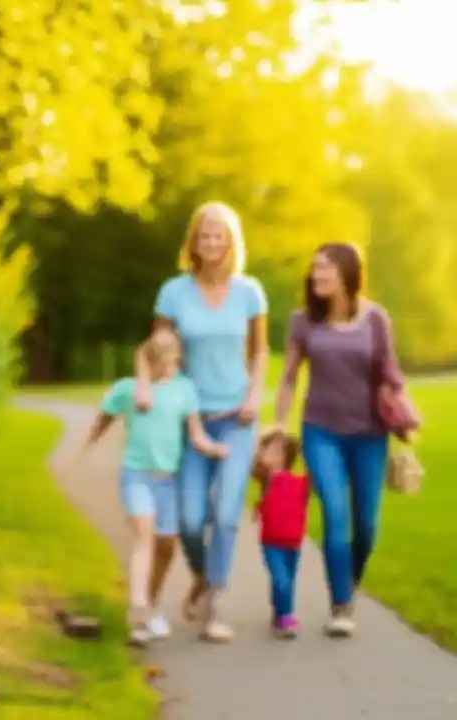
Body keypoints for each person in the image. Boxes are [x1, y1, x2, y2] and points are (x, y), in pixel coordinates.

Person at [135, 201, 268, 643]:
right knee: (191, 521)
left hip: (237, 418)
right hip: (191, 420)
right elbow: (155, 352)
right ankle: (204, 576)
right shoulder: (173, 293)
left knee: (226, 513)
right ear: (193, 241)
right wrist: (149, 393)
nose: (211, 243)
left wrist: (254, 395)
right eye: (203, 236)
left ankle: (215, 605)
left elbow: (260, 351)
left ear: (231, 242)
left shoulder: (250, 291)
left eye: (219, 236)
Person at [274, 242, 405, 638]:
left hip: (369, 434)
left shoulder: (376, 318)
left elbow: (389, 373)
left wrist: (401, 414)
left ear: (347, 272)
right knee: (335, 512)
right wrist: (280, 425)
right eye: (314, 269)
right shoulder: (302, 321)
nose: (317, 276)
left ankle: (349, 580)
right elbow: (290, 376)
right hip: (321, 431)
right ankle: (341, 604)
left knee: (366, 525)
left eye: (325, 269)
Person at [85, 327, 229, 647]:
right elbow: (104, 417)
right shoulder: (129, 389)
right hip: (136, 475)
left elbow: (195, 434)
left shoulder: (184, 390)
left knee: (167, 545)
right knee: (144, 536)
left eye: (175, 355)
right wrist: (88, 444)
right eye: (165, 356)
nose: (172, 362)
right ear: (153, 358)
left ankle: (149, 603)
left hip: (168, 481)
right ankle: (137, 610)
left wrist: (215, 448)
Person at [251, 429, 309, 639]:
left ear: (286, 456)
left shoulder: (300, 482)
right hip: (271, 542)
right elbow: (253, 459)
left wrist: (305, 451)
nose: (269, 453)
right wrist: (260, 448)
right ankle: (287, 617)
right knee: (281, 579)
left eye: (275, 450)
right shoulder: (265, 479)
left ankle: (279, 613)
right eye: (268, 449)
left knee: (288, 581)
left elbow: (315, 474)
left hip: (293, 542)